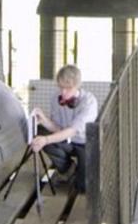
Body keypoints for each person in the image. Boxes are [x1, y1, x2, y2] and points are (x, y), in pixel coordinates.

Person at [31, 64, 97, 192]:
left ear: (77, 85)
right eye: (61, 87)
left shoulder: (89, 101)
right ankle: (67, 168)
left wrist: (46, 140)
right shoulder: (56, 98)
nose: (63, 92)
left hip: (85, 143)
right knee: (40, 132)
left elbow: (72, 130)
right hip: (67, 140)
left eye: (68, 88)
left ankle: (81, 172)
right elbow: (57, 128)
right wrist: (44, 120)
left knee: (82, 188)